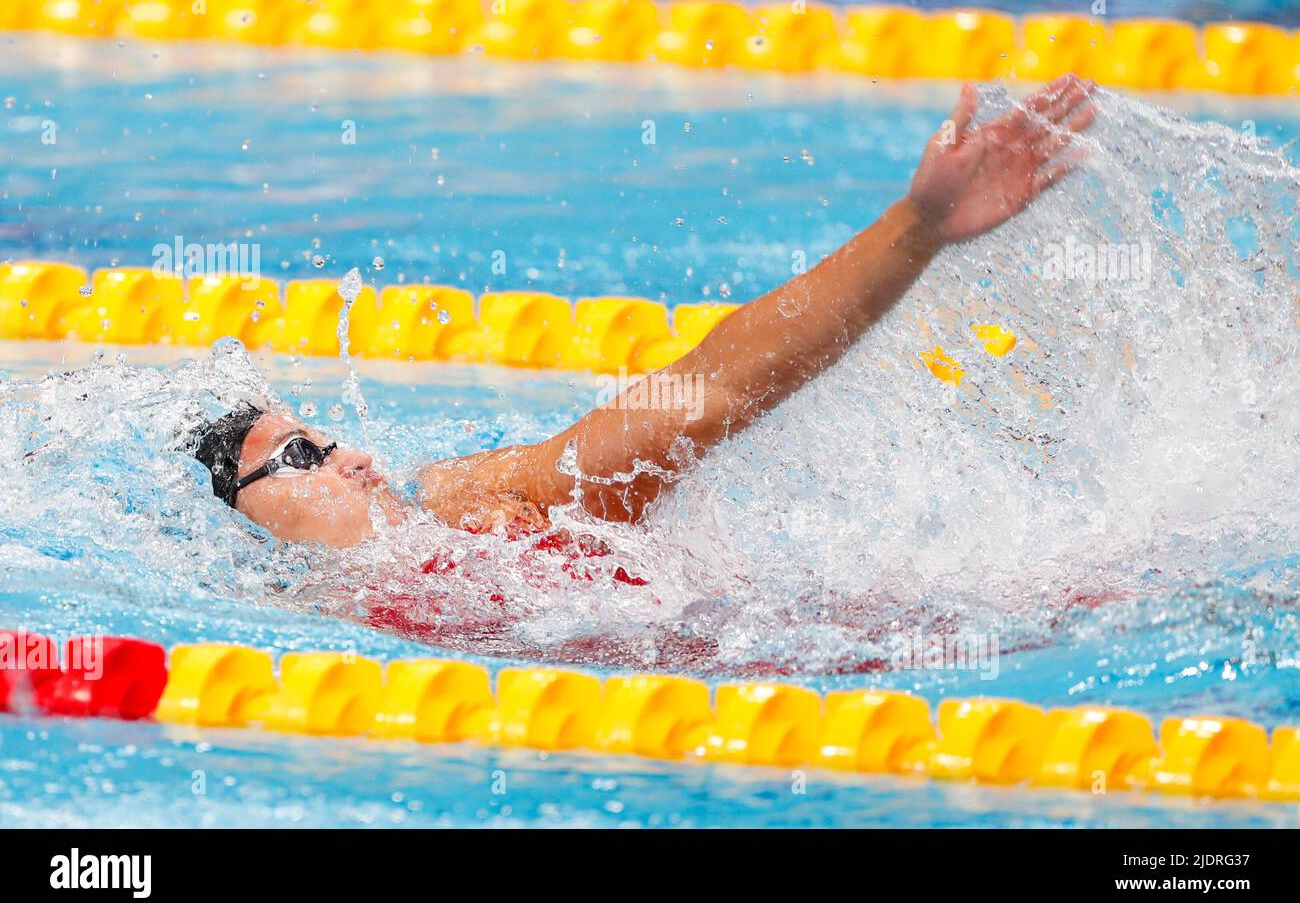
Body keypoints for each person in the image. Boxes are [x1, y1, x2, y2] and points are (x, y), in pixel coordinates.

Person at [192, 75, 1098, 550]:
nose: (354, 456)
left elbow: (699, 396)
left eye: (326, 436)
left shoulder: (470, 507)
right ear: (241, 524)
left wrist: (916, 229)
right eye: (302, 454)